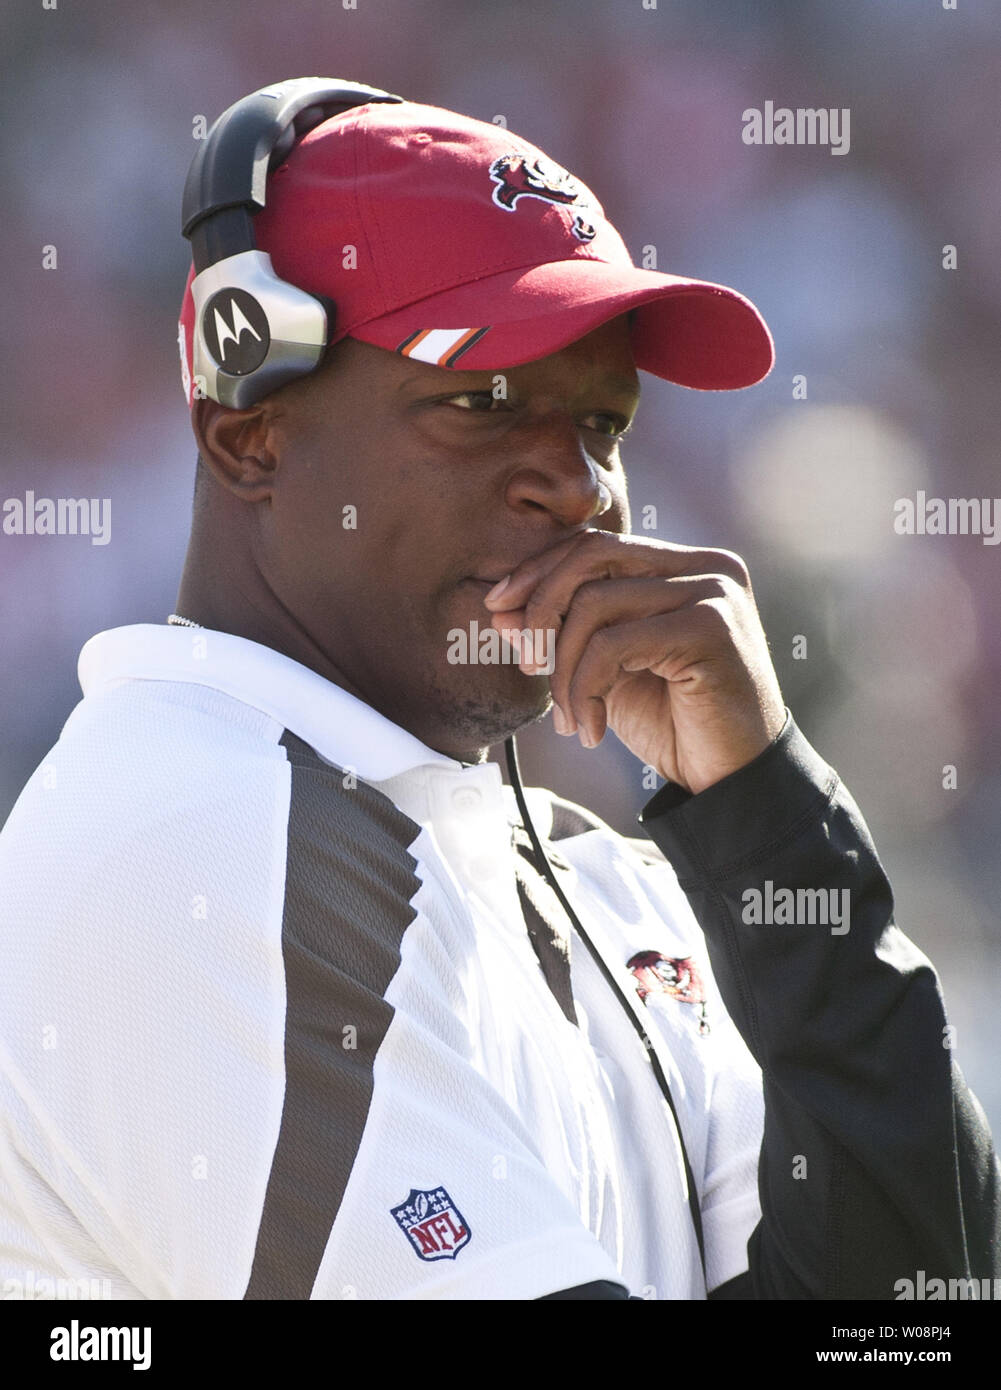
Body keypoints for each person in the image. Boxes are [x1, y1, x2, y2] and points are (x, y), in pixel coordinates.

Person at [0, 78, 997, 1303]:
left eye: (602, 425)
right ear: (247, 430)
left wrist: (761, 805)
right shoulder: (192, 837)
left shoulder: (607, 881)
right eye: (481, 401)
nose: (577, 487)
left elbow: (911, 1307)